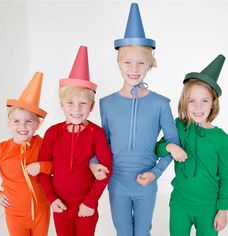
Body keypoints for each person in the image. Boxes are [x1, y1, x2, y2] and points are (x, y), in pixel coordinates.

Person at [90, 3, 179, 236]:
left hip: (146, 183)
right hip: (117, 183)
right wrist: (92, 163)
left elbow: (173, 143)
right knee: (122, 231)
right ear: (118, 64)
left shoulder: (160, 104)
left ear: (150, 64)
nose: (134, 68)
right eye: (127, 62)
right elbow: (102, 143)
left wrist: (156, 173)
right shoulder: (107, 104)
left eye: (141, 62)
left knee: (142, 230)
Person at [38, 46, 112, 236]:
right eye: (70, 102)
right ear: (62, 105)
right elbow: (43, 168)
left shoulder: (97, 133)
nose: (76, 108)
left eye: (83, 103)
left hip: (86, 207)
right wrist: (51, 199)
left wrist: (90, 202)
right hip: (59, 206)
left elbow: (106, 169)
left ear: (92, 105)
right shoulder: (52, 133)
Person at [156, 54, 228, 236]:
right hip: (180, 203)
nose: (198, 107)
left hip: (209, 208)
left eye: (204, 100)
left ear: (213, 103)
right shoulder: (179, 126)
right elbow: (157, 148)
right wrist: (171, 147)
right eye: (192, 101)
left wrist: (223, 210)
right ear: (184, 103)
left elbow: (227, 176)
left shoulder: (221, 138)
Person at [0, 72, 51, 236]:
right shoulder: (3, 149)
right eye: (16, 121)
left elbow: (58, 165)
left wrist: (42, 166)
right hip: (14, 214)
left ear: (37, 124)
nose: (22, 126)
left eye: (28, 121)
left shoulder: (43, 144)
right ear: (9, 124)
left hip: (41, 211)